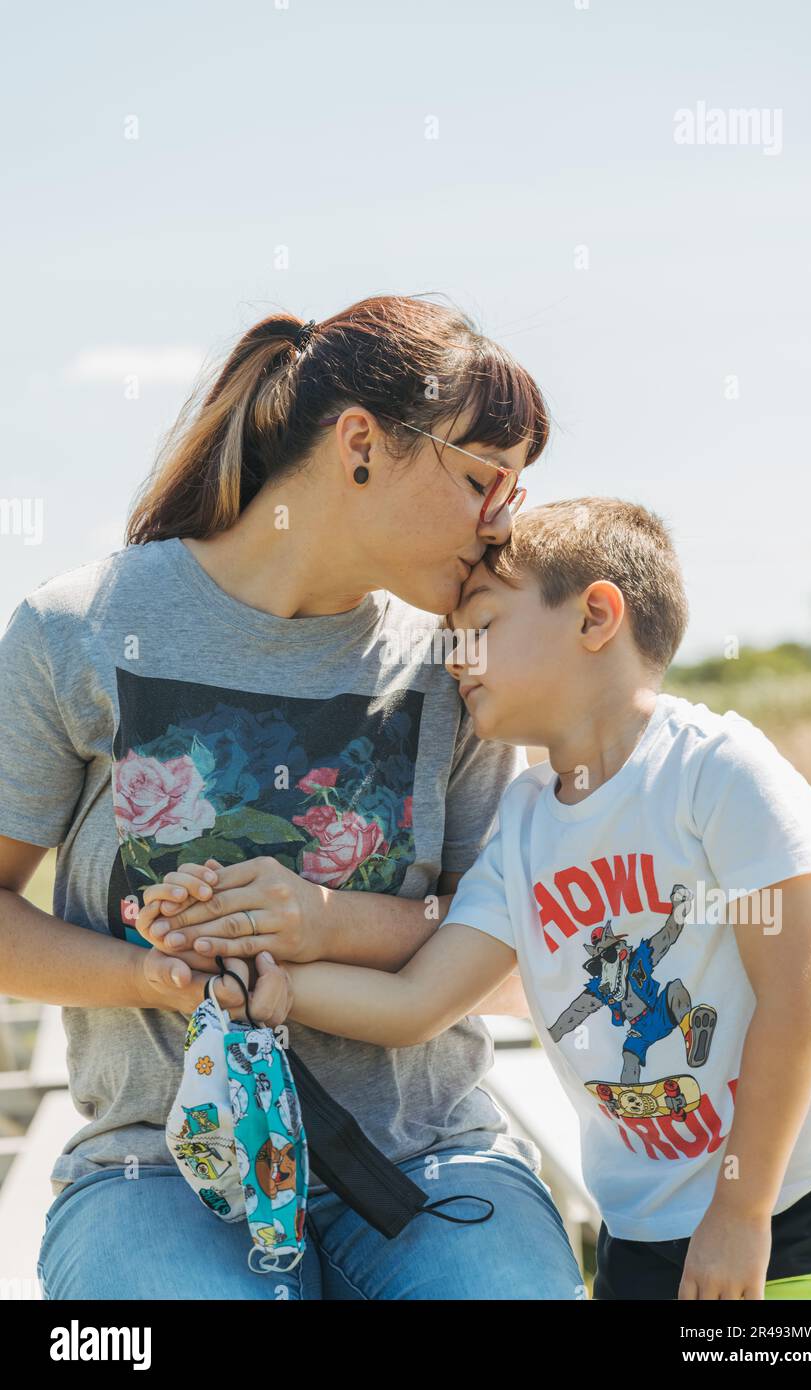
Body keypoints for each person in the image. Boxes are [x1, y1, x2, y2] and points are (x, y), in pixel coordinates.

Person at [0, 296, 586, 1300]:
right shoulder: (74, 631)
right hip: (157, 1171)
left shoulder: (462, 666)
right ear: (362, 443)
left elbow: (500, 940)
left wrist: (325, 922)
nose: (505, 525)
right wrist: (161, 977)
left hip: (428, 1159)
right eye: (488, 479)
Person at [185, 496, 811, 1300]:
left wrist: (741, 1211)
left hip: (794, 1205)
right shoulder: (525, 821)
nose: (452, 658)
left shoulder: (720, 774)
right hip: (642, 1228)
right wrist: (279, 986)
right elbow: (418, 1000)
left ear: (594, 617)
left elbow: (801, 996)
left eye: (478, 626)